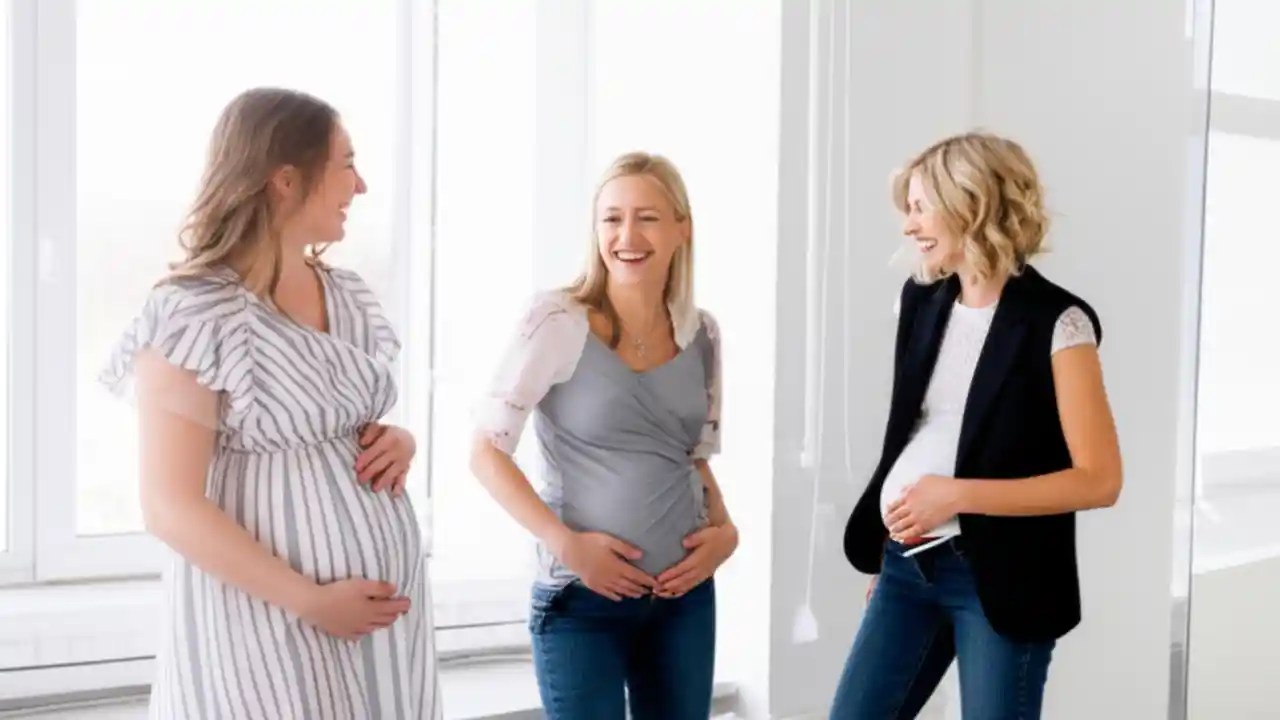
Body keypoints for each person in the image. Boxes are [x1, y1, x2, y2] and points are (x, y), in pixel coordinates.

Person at [100, 87, 441, 720]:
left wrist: (400, 440)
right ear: (287, 179)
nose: (360, 185)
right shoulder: (193, 313)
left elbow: (338, 422)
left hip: (381, 628)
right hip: (263, 619)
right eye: (345, 163)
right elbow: (170, 505)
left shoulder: (349, 296)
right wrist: (310, 600)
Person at [831, 132, 1123, 719]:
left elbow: (1098, 480)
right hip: (906, 568)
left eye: (919, 207)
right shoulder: (918, 301)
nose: (909, 227)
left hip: (1002, 580)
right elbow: (916, 431)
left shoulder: (1058, 323)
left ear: (970, 203)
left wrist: (957, 496)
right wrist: (900, 549)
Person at [469, 152, 737, 719]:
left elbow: (692, 458)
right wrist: (569, 546)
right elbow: (486, 452)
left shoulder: (702, 334)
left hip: (682, 600)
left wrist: (726, 533)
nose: (627, 235)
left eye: (648, 217)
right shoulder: (557, 321)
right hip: (580, 601)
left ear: (681, 229)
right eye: (612, 218)